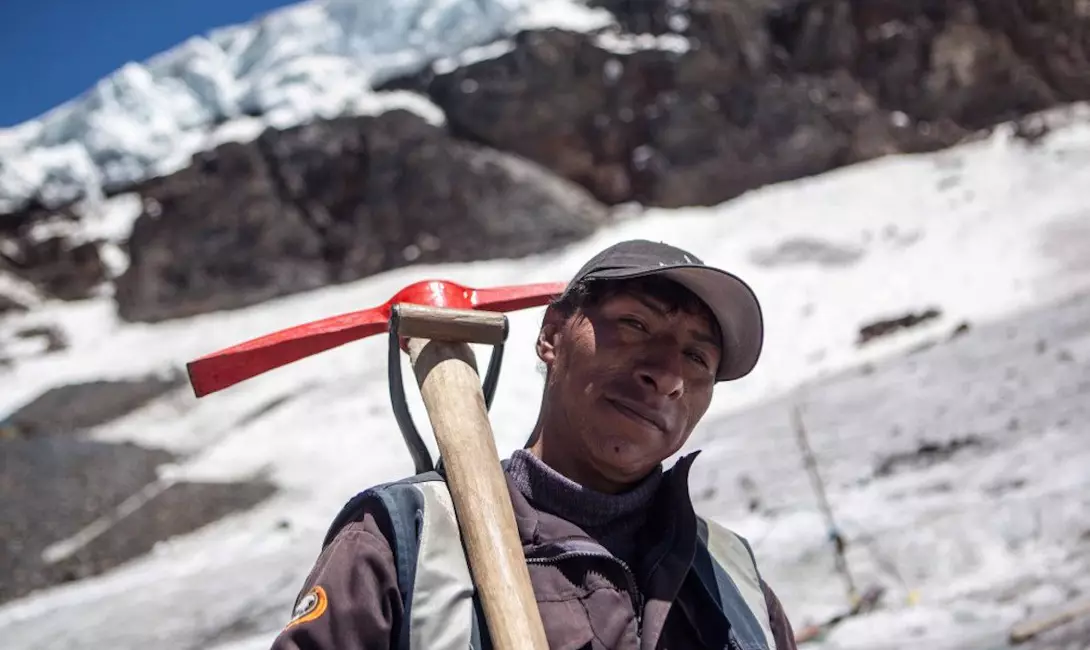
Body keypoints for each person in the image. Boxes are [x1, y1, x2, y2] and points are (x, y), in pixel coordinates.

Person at [270, 239, 797, 650]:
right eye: (635, 324)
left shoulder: (735, 581)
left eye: (697, 359)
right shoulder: (406, 541)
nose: (666, 374)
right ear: (552, 336)